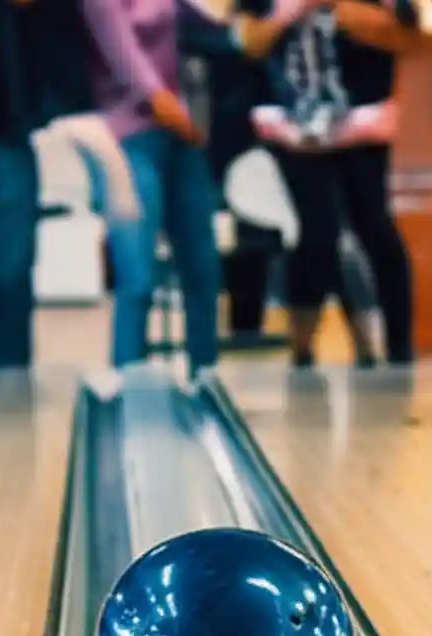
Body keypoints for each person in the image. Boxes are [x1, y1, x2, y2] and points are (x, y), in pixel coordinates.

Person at [79, 0, 314, 376]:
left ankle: (204, 380)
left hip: (180, 140)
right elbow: (136, 74)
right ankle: (130, 387)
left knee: (203, 269)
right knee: (137, 275)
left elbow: (221, 34)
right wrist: (189, 127)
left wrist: (271, 20)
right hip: (128, 139)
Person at [257, 0, 420, 368]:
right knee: (315, 232)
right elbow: (247, 40)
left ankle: (395, 347)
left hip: (362, 120)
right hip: (293, 125)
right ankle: (303, 350)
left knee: (372, 225)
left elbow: (404, 35)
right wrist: (286, 15)